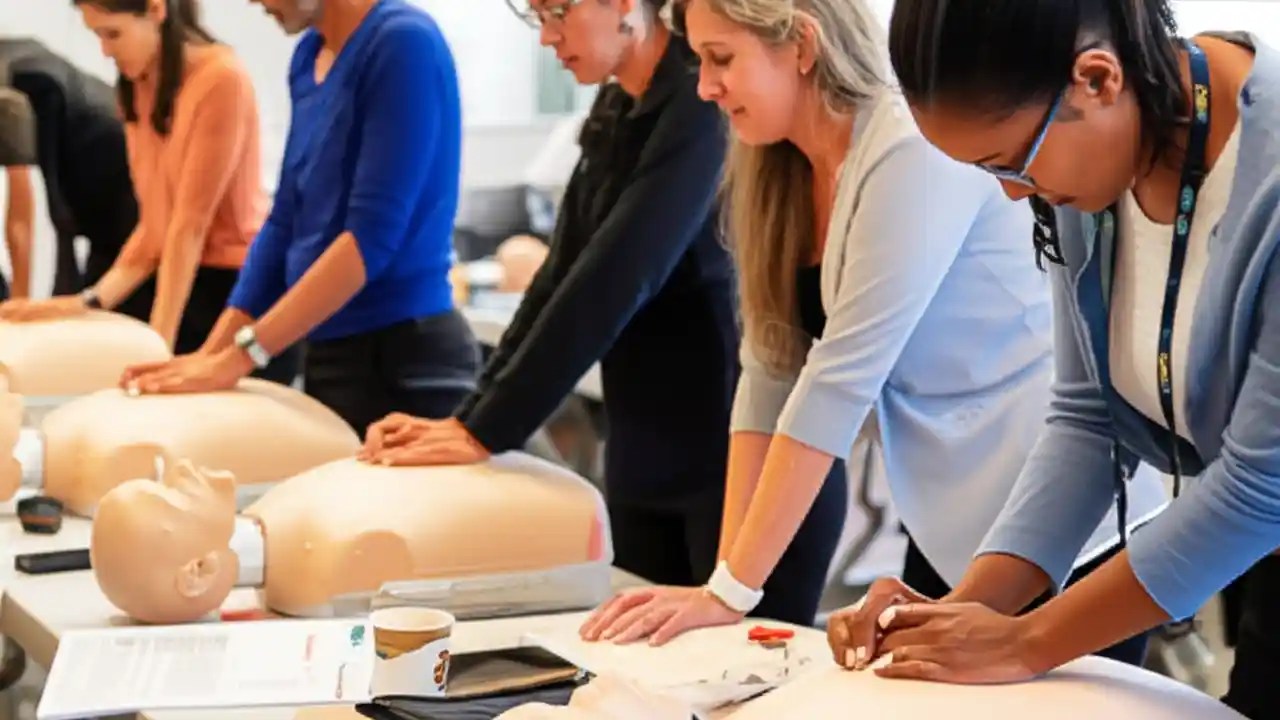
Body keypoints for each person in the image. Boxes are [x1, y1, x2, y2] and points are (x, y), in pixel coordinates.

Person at [577, 0, 1167, 651]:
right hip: (949, 523)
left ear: (801, 45)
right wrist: (723, 581)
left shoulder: (910, 147)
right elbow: (769, 369)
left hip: (1059, 510)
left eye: (721, 59)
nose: (704, 85)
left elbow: (840, 378)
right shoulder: (778, 169)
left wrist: (730, 591)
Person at [828, 2, 1279, 717]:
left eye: (1009, 164)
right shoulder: (1097, 150)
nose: (1011, 192)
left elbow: (1260, 489)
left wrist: (1025, 641)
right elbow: (1089, 418)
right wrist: (961, 614)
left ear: (1095, 79)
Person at [359, 0, 742, 601]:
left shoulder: (698, 104)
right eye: (537, 18)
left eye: (558, 13)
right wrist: (470, 419)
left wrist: (486, 428)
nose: (547, 38)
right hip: (643, 439)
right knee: (648, 669)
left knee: (742, 678)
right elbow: (560, 272)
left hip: (726, 446)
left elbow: (614, 278)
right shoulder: (618, 103)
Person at [120, 0, 480, 436]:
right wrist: (210, 355)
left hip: (405, 360)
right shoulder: (310, 54)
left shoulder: (402, 42)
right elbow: (285, 220)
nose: (254, 3)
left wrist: (242, 357)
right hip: (332, 350)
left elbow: (370, 240)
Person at [0, 0, 299, 387]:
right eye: (97, 36)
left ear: (156, 11)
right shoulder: (138, 86)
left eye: (113, 34)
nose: (105, 49)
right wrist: (87, 302)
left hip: (237, 288)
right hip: (178, 277)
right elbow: (155, 226)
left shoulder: (221, 77)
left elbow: (188, 227)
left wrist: (157, 347)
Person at [0, 39, 138, 301]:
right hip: (93, 177)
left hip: (117, 180)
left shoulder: (23, 93)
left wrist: (21, 308)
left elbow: (38, 220)